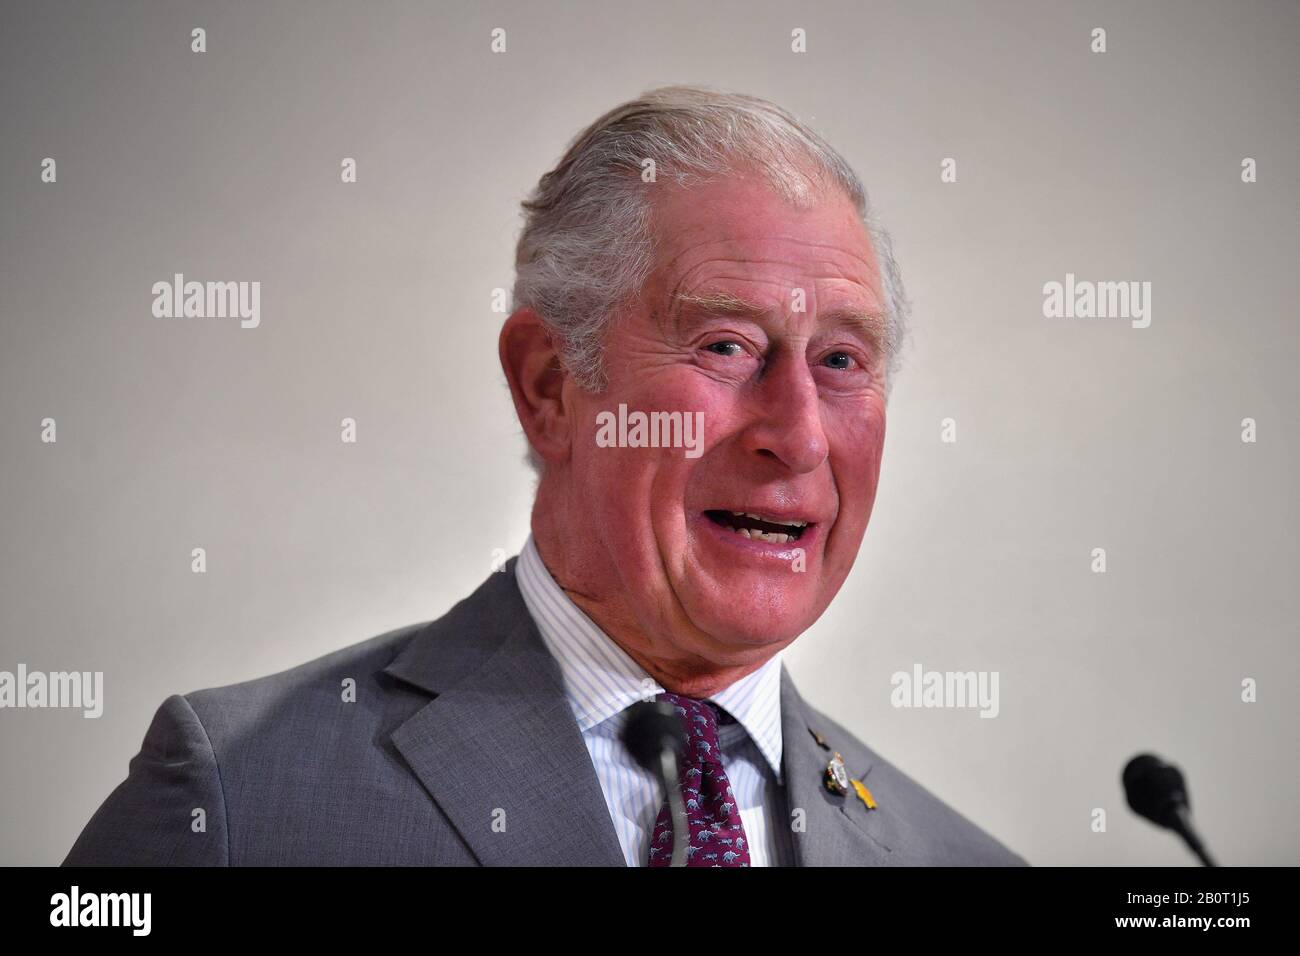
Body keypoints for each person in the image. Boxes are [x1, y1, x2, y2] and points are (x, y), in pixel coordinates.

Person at [64, 86, 1026, 866]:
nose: (801, 436)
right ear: (551, 386)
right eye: (728, 346)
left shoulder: (957, 857)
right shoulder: (238, 799)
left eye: (843, 362)